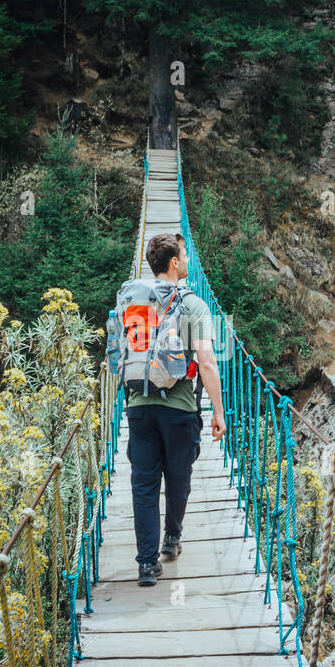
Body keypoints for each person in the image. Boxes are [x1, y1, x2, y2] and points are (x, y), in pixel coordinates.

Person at [128, 233, 226, 587]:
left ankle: (146, 565)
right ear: (174, 262)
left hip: (139, 406)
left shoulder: (134, 302)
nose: (187, 261)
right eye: (184, 256)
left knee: (144, 484)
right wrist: (218, 411)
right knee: (179, 477)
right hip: (181, 407)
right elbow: (207, 362)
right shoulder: (194, 305)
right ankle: (172, 536)